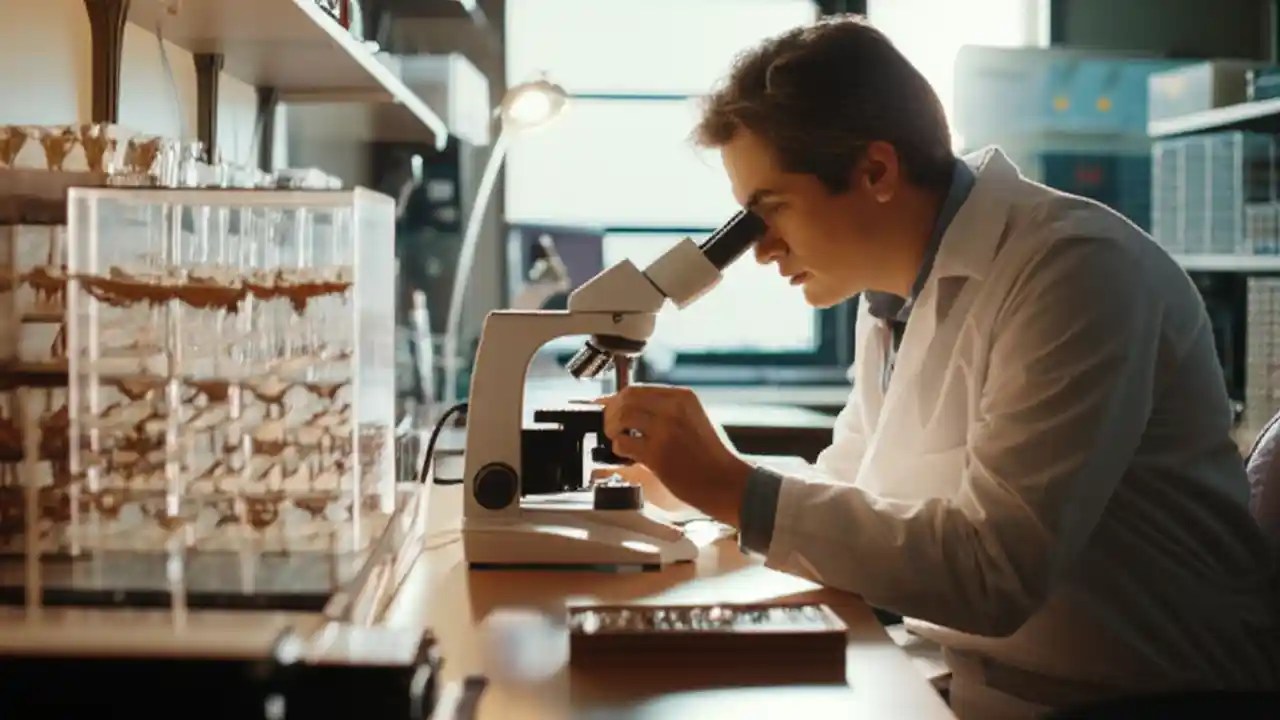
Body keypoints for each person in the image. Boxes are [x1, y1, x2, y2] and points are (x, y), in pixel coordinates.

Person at [596, 14, 1280, 719]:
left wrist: (733, 488)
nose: (761, 249)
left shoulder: (1074, 272)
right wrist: (696, 484)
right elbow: (857, 495)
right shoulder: (891, 302)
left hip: (1144, 700)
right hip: (982, 679)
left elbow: (994, 573)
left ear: (875, 171)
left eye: (769, 211)